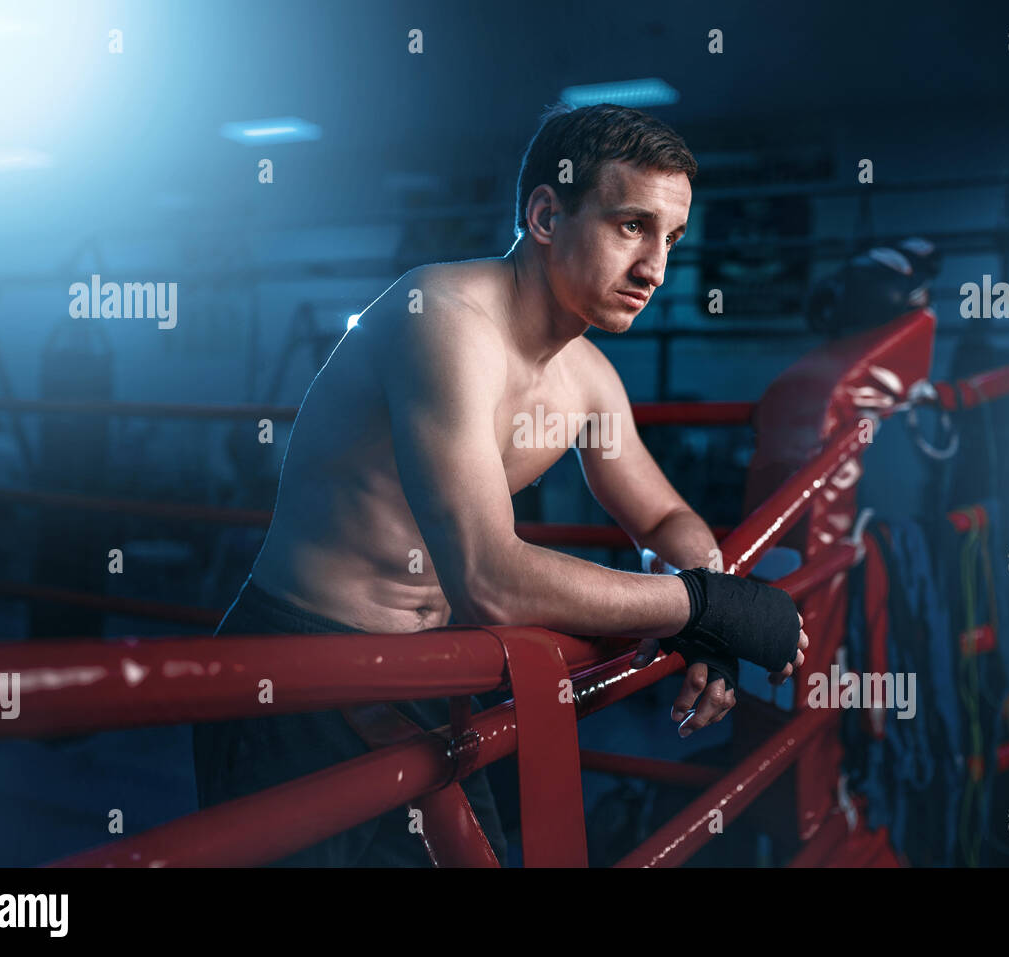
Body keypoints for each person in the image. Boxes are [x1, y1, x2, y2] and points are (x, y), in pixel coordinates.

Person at [193, 102, 808, 866]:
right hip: (297, 672)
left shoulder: (588, 380)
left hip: (424, 676)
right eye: (630, 226)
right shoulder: (441, 320)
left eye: (671, 238)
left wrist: (707, 609)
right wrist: (707, 607)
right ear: (546, 215)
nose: (655, 267)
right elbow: (489, 577)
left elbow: (663, 516)